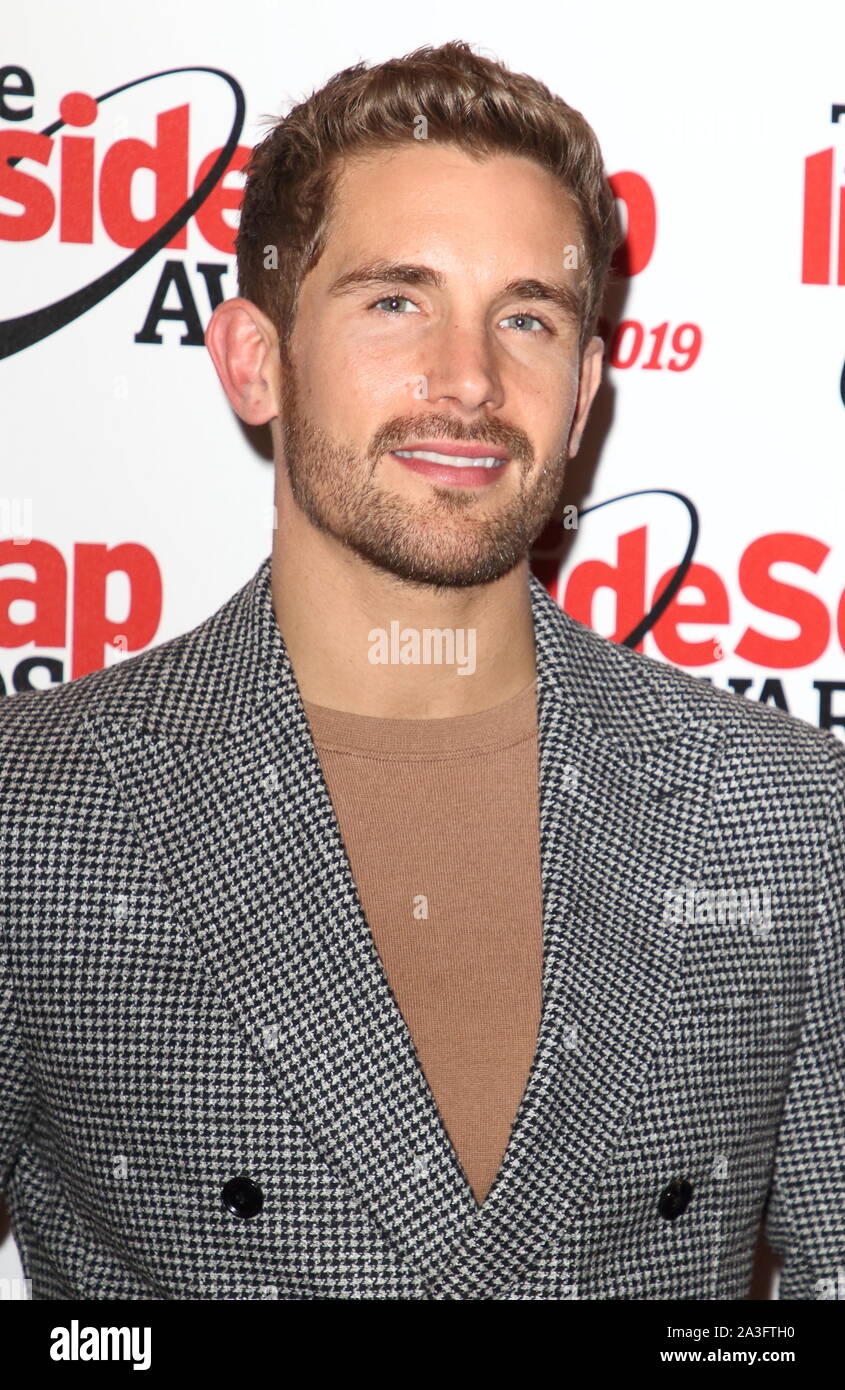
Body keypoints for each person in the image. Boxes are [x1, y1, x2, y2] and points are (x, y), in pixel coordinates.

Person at [1, 40, 843, 1302]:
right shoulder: (38, 803)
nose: (467, 382)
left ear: (583, 393)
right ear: (252, 359)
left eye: (526, 316)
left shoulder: (776, 806)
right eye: (395, 300)